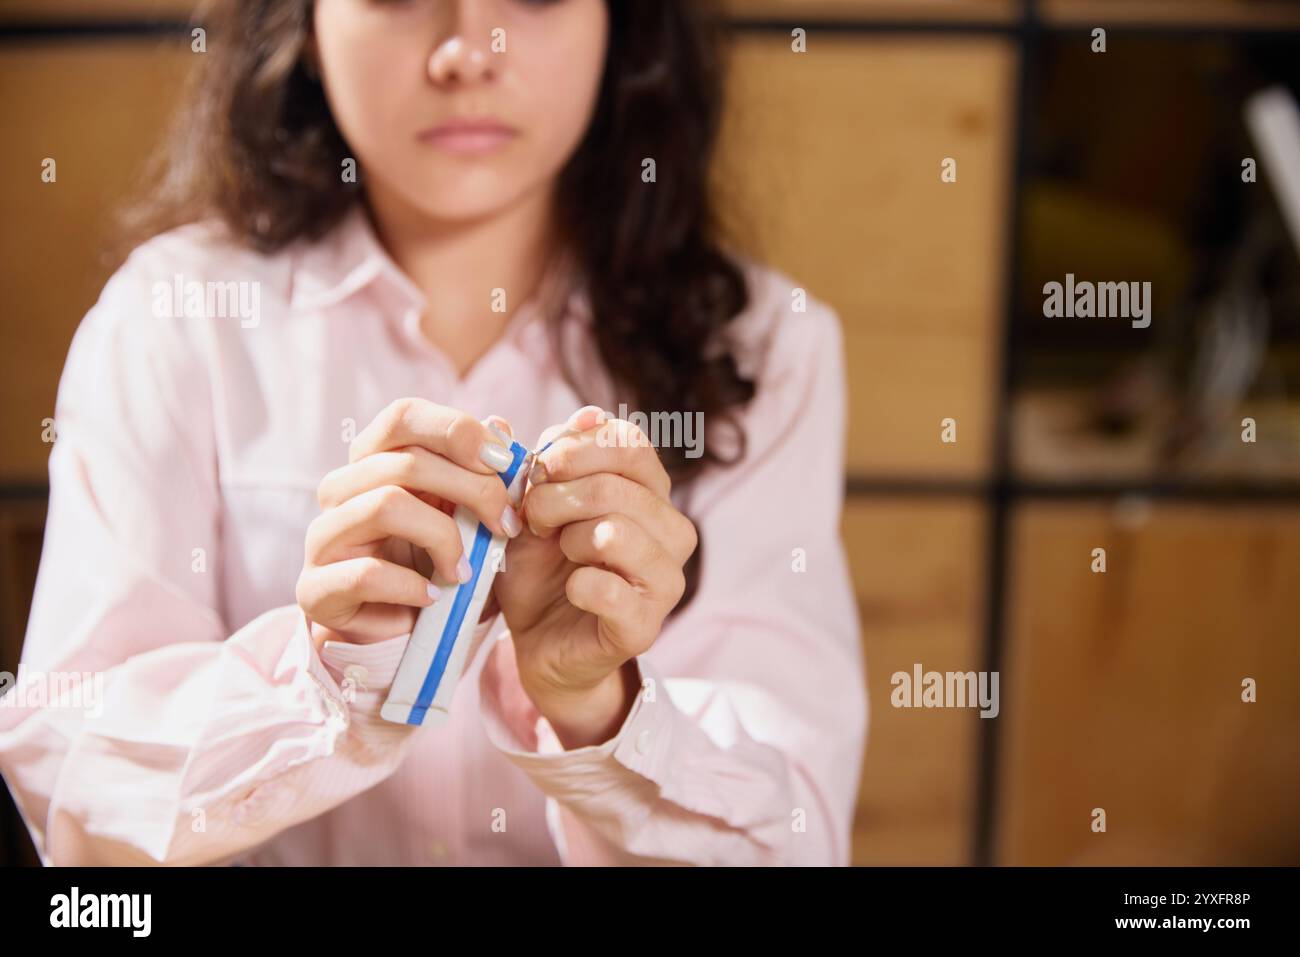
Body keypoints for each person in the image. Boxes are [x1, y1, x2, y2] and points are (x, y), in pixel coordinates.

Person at [0, 0, 866, 866]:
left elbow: (795, 840)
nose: (466, 53)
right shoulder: (170, 320)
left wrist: (595, 708)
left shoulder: (768, 348)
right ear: (302, 19)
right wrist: (325, 684)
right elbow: (72, 810)